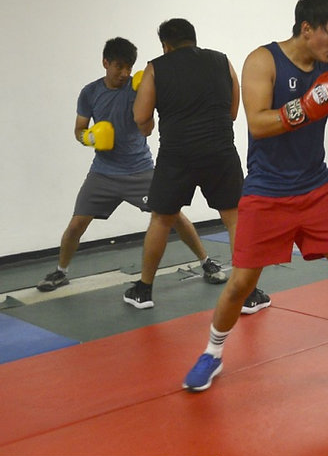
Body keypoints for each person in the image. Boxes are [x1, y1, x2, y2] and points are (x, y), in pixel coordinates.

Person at [182, 0, 328, 392]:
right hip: (267, 190)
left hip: (316, 186)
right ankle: (212, 353)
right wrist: (310, 102)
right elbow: (257, 123)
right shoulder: (262, 60)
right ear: (307, 29)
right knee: (242, 284)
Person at [37, 37, 224, 292]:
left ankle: (206, 262)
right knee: (76, 225)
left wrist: (149, 89)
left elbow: (150, 123)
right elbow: (79, 130)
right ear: (105, 63)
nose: (125, 73)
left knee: (174, 216)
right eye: (119, 67)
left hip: (141, 170)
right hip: (103, 173)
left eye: (129, 67)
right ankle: (61, 272)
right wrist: (90, 137)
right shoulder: (90, 92)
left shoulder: (137, 88)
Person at [124, 19, 269, 312]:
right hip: (220, 150)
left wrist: (148, 121)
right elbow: (232, 112)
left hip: (177, 154)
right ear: (194, 38)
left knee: (162, 219)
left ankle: (143, 290)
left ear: (165, 45)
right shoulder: (222, 61)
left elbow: (141, 119)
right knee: (234, 218)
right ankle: (248, 294)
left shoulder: (156, 67)